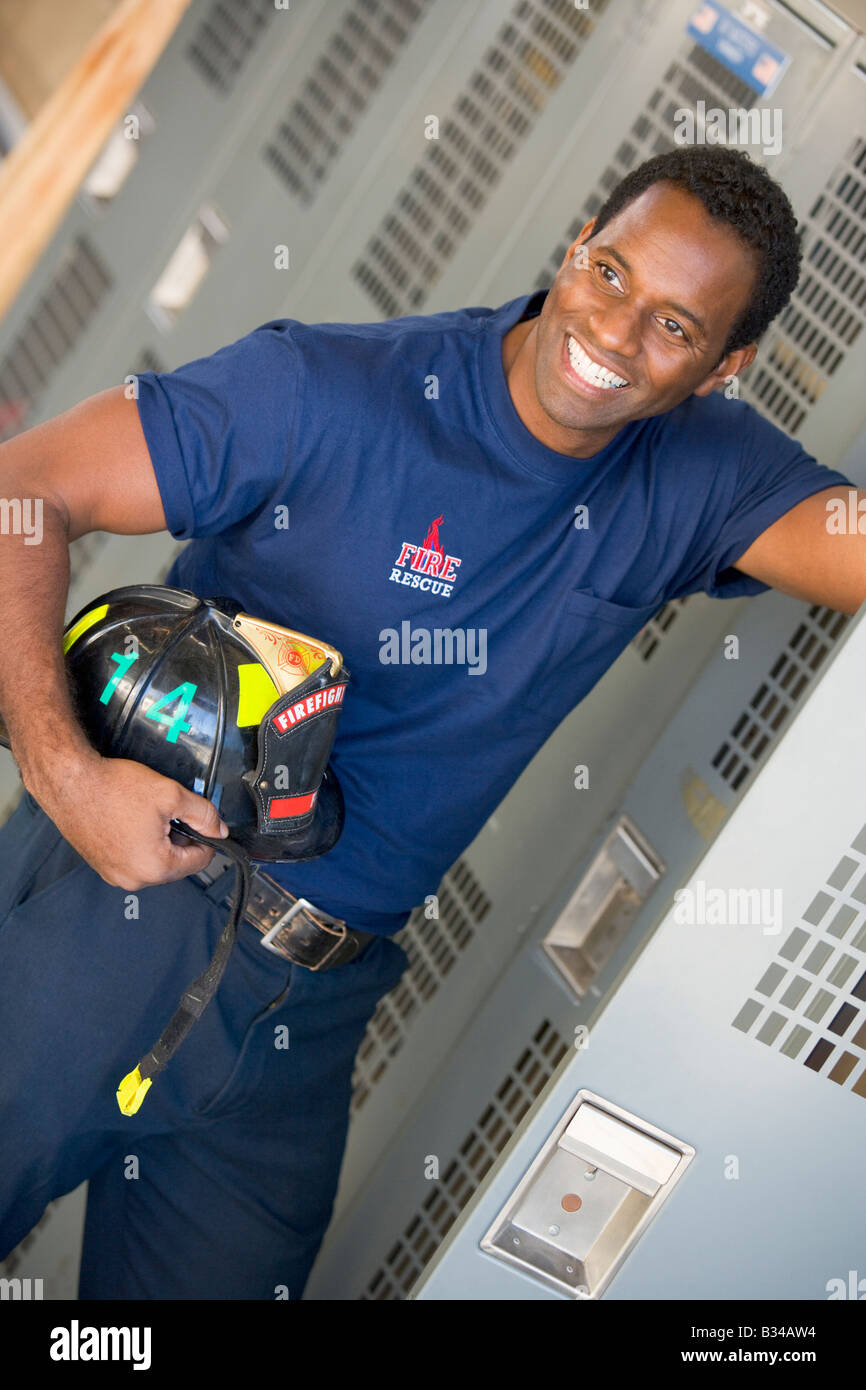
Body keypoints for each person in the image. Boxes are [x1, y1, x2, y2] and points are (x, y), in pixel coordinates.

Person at [0, 145, 863, 1300]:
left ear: (721, 366)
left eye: (671, 326)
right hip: (127, 908)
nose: (612, 333)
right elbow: (24, 491)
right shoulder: (330, 391)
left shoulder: (703, 475)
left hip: (309, 1011)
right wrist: (69, 781)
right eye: (607, 274)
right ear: (573, 250)